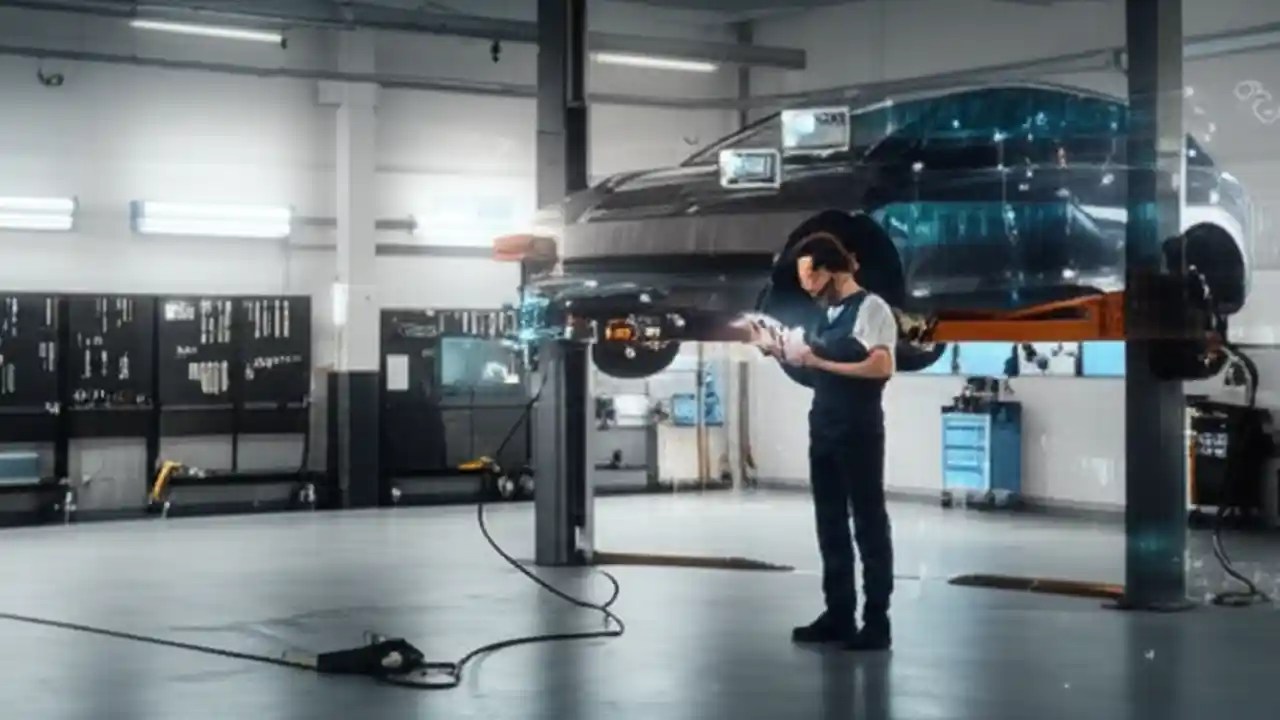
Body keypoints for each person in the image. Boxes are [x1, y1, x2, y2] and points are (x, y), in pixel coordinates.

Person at [750, 231, 897, 651]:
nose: (807, 287)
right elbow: (815, 372)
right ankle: (838, 614)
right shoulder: (824, 316)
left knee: (867, 524)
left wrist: (817, 358)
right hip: (825, 428)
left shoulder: (871, 308)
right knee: (830, 524)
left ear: (831, 270)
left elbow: (881, 366)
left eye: (811, 277)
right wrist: (779, 352)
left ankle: (876, 621)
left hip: (859, 430)